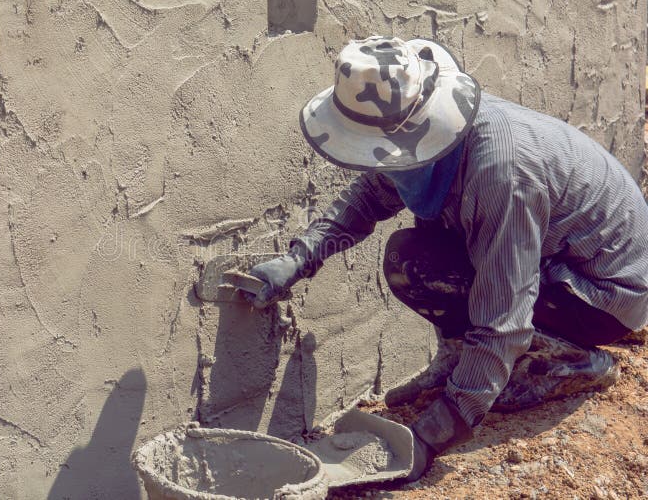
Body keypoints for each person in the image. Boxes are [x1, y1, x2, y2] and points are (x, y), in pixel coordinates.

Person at [246, 37, 648, 481]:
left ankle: (573, 363)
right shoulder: (424, 139)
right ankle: (461, 361)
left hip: (603, 290)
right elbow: (371, 196)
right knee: (413, 258)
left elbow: (504, 319)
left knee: (488, 310)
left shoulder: (501, 175)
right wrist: (300, 258)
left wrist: (434, 432)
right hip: (556, 260)